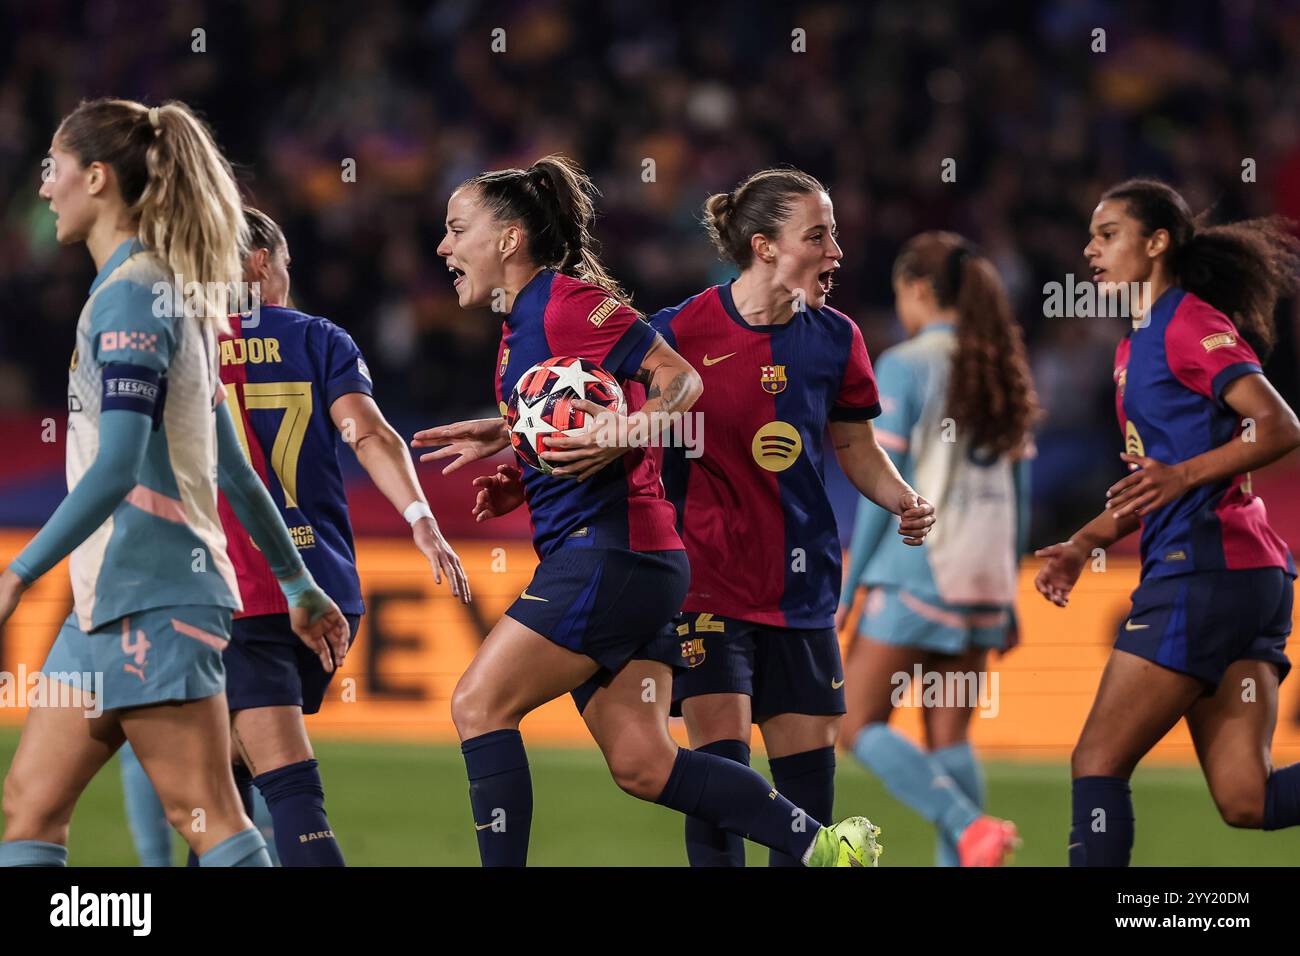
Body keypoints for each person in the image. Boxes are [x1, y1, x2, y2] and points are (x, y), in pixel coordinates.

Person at [413, 154, 882, 866]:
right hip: (637, 560)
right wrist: (517, 449)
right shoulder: (523, 327)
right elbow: (597, 407)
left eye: (456, 230)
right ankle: (825, 846)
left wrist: (621, 433)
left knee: (479, 704)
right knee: (644, 764)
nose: (443, 247)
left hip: (611, 554)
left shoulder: (566, 305)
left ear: (508, 238)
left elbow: (679, 381)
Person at [0, 98, 348, 868]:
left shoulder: (134, 296)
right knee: (30, 804)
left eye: (54, 169)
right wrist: (297, 584)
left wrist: (17, 574)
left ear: (97, 177)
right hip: (108, 601)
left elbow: (119, 466)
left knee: (208, 816)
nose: (44, 188)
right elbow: (234, 470)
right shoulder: (165, 292)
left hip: (152, 598)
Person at [118, 207, 471, 866]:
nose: (287, 275)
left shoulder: (179, 343)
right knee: (226, 788)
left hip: (229, 590)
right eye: (285, 263)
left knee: (279, 784)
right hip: (325, 588)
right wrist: (421, 521)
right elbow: (369, 434)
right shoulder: (320, 338)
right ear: (260, 263)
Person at [645, 168, 937, 866]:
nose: (836, 252)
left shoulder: (836, 338)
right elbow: (609, 422)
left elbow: (855, 446)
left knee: (807, 809)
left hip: (802, 590)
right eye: (819, 235)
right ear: (765, 246)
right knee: (722, 788)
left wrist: (903, 496)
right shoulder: (676, 332)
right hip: (707, 588)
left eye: (833, 235)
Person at [1035, 178, 1300, 865]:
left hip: (1202, 570)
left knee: (1097, 760)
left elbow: (1278, 425)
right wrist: (1085, 541)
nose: (1090, 250)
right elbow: (1151, 480)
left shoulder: (1186, 323)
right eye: (1090, 236)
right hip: (1244, 576)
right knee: (1248, 799)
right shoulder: (1135, 345)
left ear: (1157, 243)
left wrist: (1182, 476)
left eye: (1108, 234)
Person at [838, 231, 1036, 866]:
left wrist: (852, 585)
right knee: (948, 736)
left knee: (855, 723)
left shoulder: (907, 364)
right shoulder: (1001, 367)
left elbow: (887, 486)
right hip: (983, 577)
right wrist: (1008, 591)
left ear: (918, 290)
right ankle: (971, 847)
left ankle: (970, 825)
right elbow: (1020, 494)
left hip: (919, 570)